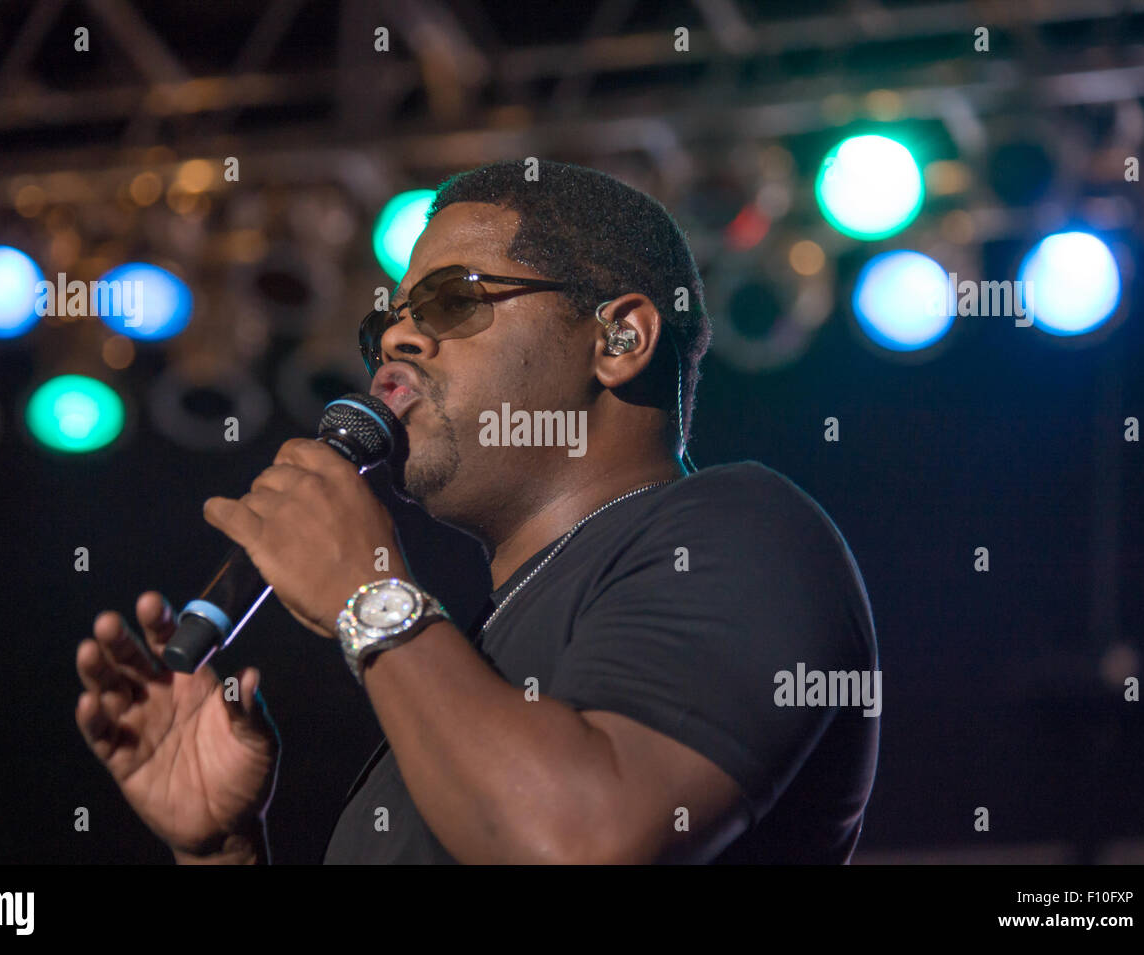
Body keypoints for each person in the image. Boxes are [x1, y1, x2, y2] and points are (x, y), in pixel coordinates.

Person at [75, 159, 879, 864]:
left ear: (619, 338)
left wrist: (369, 590)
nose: (398, 340)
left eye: (452, 300)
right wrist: (219, 851)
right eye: (383, 322)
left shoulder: (744, 527)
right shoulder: (454, 679)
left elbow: (584, 841)